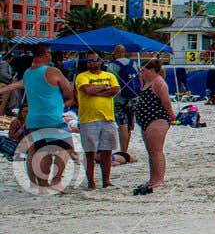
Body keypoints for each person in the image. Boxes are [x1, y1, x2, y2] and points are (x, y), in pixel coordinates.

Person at [1, 45, 76, 192]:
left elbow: (12, 86)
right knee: (67, 149)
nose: (51, 56)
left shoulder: (28, 73)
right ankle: (56, 180)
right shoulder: (52, 71)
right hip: (52, 119)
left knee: (42, 152)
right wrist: (61, 105)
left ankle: (42, 185)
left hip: (33, 120)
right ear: (44, 54)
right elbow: (69, 93)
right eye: (49, 53)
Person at [73, 51, 121, 189]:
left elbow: (116, 90)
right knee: (90, 153)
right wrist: (105, 88)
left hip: (107, 117)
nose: (90, 63)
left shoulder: (109, 75)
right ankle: (91, 182)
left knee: (107, 151)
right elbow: (87, 90)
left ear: (100, 61)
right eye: (88, 61)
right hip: (88, 118)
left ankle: (106, 180)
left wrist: (98, 90)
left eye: (93, 60)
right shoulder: (82, 76)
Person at [131, 58, 176, 194]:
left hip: (157, 119)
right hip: (146, 120)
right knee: (151, 152)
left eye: (143, 70)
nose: (141, 73)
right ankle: (153, 179)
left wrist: (171, 116)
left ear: (151, 71)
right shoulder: (147, 82)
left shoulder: (158, 82)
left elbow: (166, 101)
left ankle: (159, 180)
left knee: (157, 151)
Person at [110, 43, 140, 164]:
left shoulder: (112, 65)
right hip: (133, 97)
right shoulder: (134, 64)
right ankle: (126, 150)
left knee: (121, 124)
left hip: (118, 98)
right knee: (129, 124)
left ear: (116, 53)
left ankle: (123, 152)